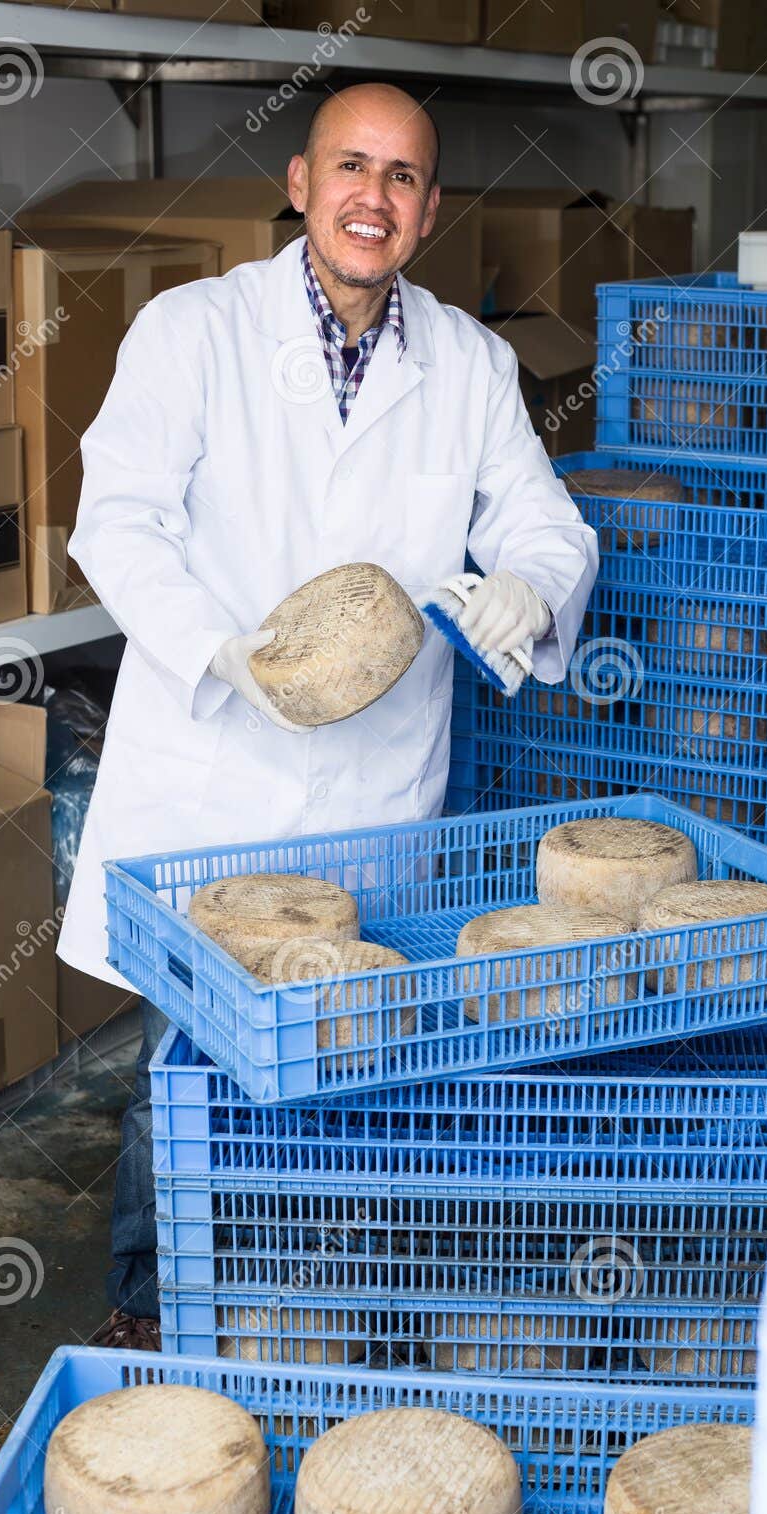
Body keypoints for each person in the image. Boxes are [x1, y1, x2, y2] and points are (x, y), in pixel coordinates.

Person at [59, 82, 598, 1349]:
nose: (374, 196)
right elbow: (114, 520)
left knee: (345, 1049)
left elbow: (542, 520)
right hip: (210, 765)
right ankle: (154, 1309)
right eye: (350, 167)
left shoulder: (466, 362)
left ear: (427, 211)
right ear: (300, 185)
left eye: (402, 177)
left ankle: (321, 1305)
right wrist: (221, 654)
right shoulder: (193, 332)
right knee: (181, 1066)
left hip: (373, 785)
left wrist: (528, 583)